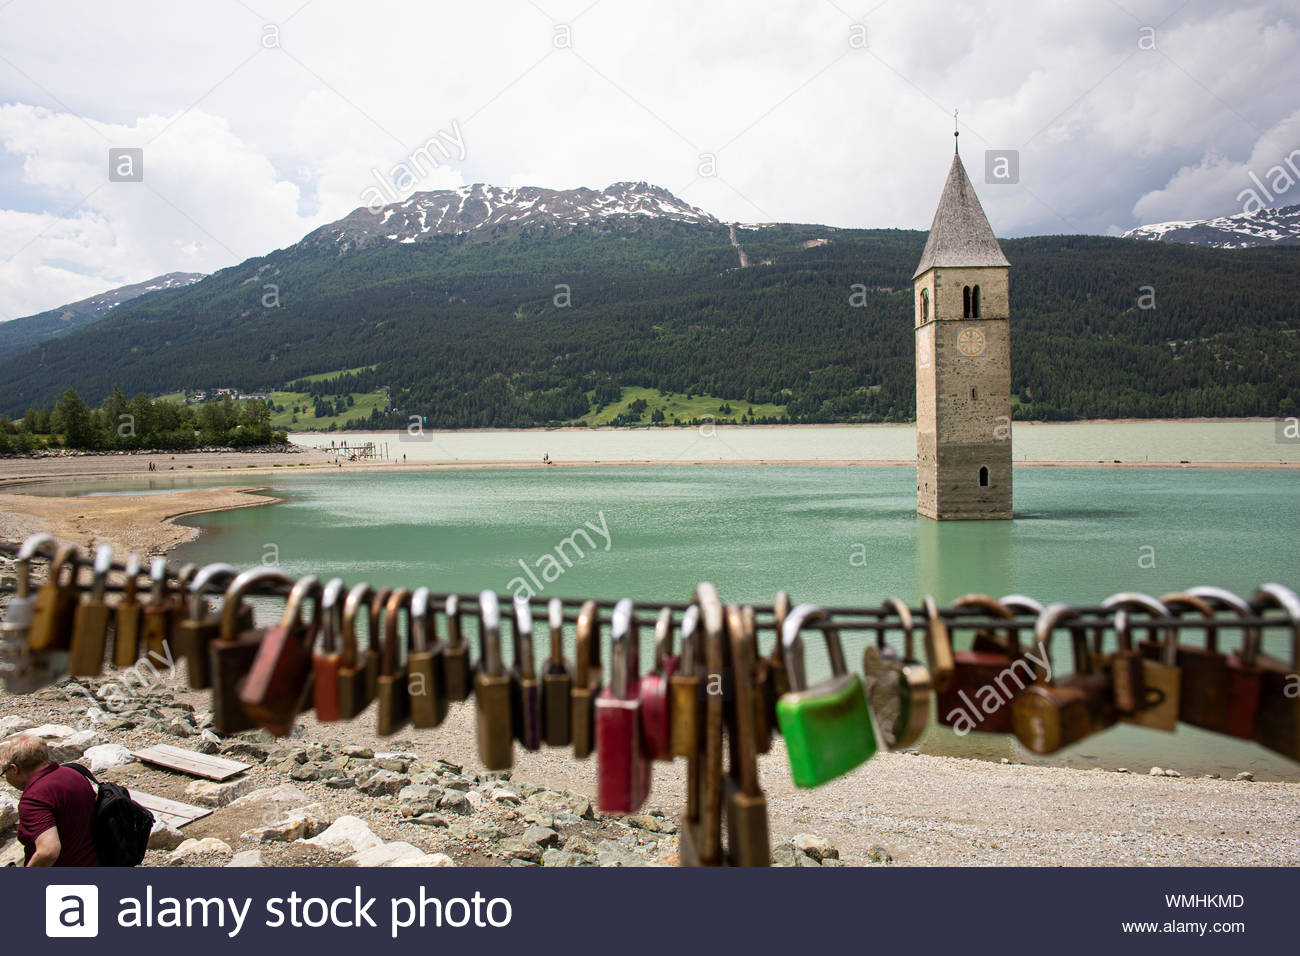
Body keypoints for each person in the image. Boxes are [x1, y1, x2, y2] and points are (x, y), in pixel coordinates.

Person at [1, 736, 99, 867]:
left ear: (14, 769)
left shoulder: (34, 798)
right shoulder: (74, 773)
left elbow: (48, 851)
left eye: (4, 773)